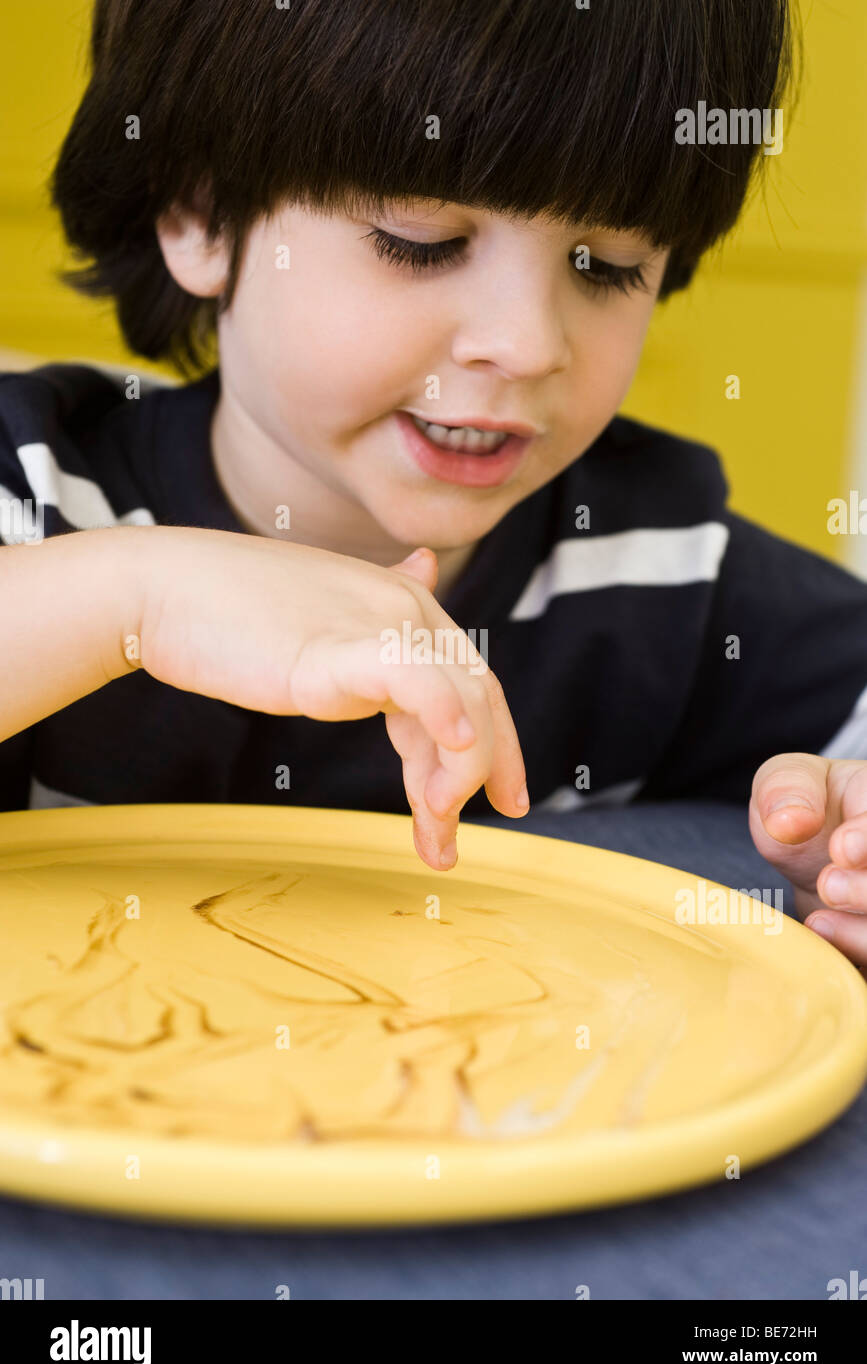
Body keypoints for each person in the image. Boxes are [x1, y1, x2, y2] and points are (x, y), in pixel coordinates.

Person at [3, 1, 865, 968]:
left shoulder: (649, 556)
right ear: (197, 214)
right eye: (421, 241)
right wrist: (134, 600)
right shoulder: (35, 496)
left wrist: (840, 832)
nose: (527, 343)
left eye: (608, 265)